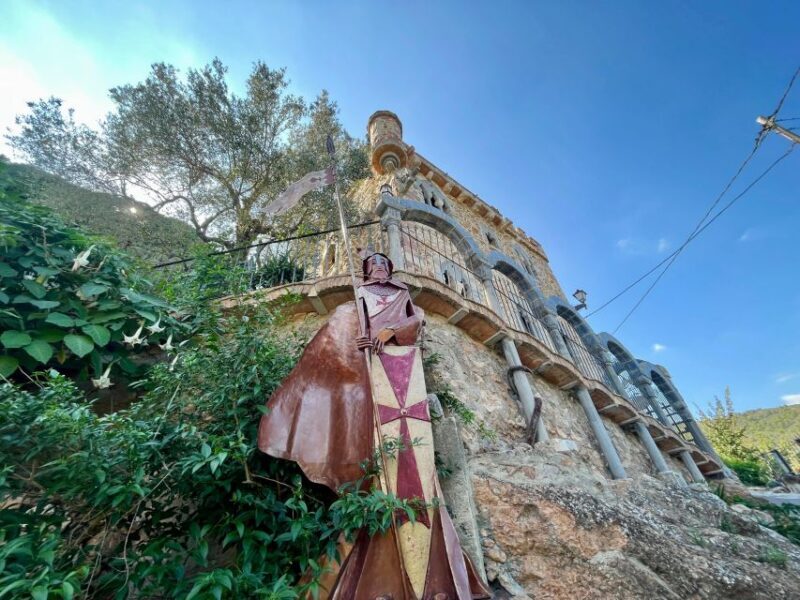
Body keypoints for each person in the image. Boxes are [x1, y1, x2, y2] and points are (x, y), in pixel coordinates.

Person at [258, 247, 491, 600]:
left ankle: (434, 577)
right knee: (382, 460)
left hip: (402, 364)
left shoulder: (401, 293)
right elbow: (350, 337)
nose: (379, 267)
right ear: (367, 271)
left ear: (389, 268)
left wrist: (391, 332)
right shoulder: (359, 298)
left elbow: (415, 323)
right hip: (373, 373)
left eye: (383, 263)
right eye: (373, 264)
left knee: (414, 461)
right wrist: (363, 341)